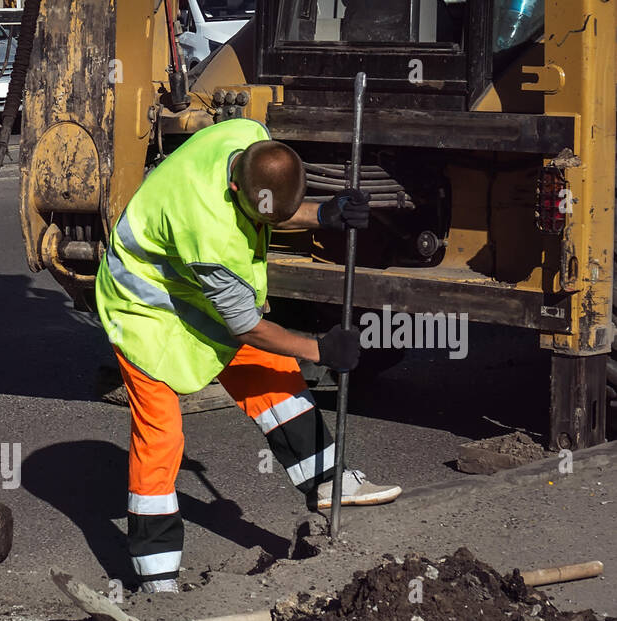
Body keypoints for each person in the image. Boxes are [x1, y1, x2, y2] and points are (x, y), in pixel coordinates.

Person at [96, 117, 402, 593]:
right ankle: (156, 575)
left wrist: (323, 214)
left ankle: (329, 483)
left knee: (272, 374)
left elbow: (269, 208)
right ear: (236, 187)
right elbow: (244, 325)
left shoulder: (247, 136)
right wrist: (319, 349)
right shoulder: (211, 233)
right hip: (142, 306)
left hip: (188, 284)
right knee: (161, 433)